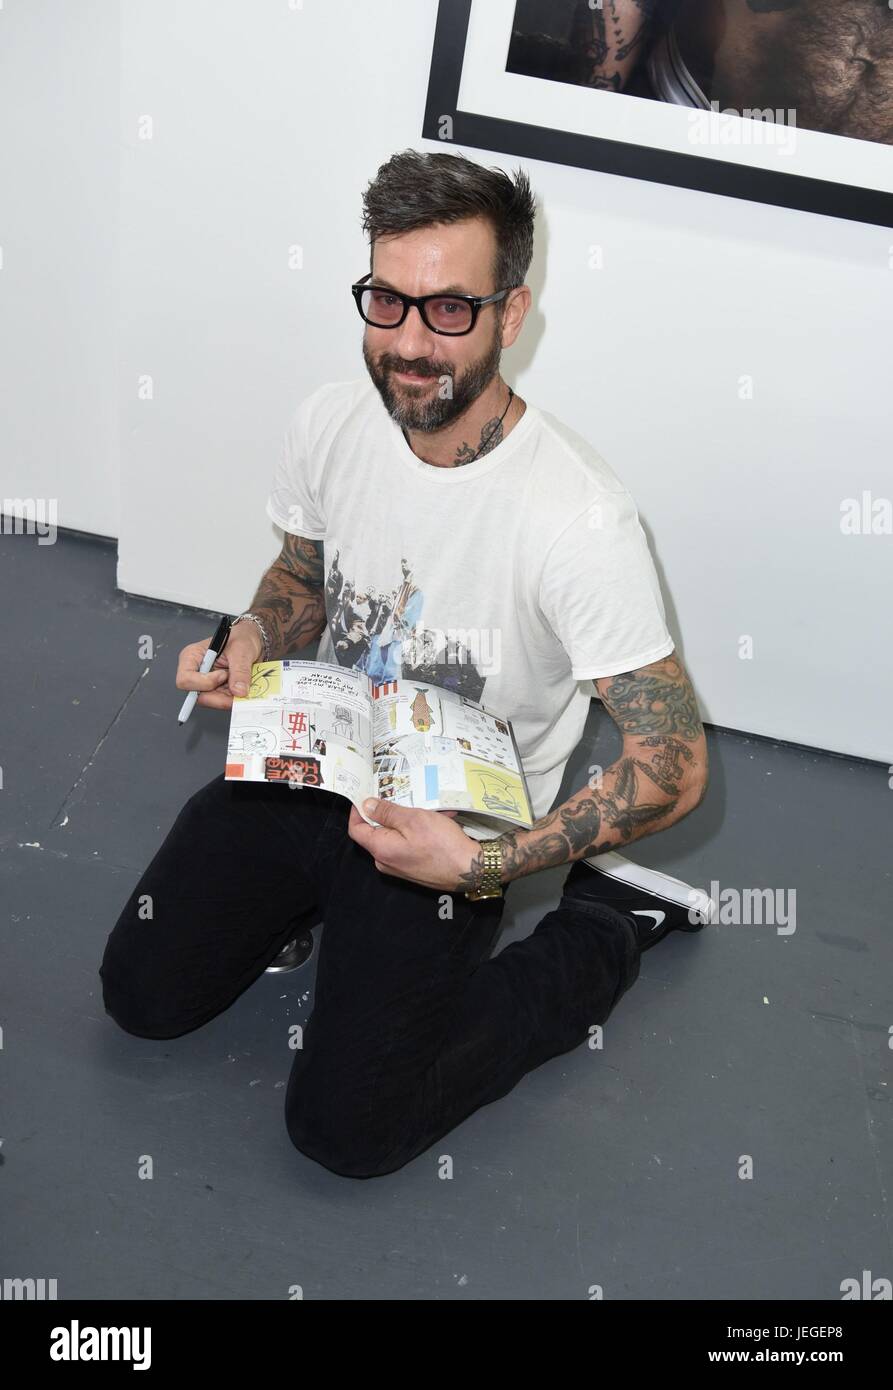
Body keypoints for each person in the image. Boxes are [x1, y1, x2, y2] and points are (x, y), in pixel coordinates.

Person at [99, 149, 710, 1180]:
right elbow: (301, 571)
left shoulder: (579, 520)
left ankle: (607, 925)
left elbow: (673, 762)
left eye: (448, 310)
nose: (409, 342)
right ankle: (305, 907)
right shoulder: (332, 420)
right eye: (386, 300)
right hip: (320, 766)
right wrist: (249, 635)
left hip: (455, 831)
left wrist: (480, 867)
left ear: (510, 316)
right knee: (142, 999)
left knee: (348, 1131)